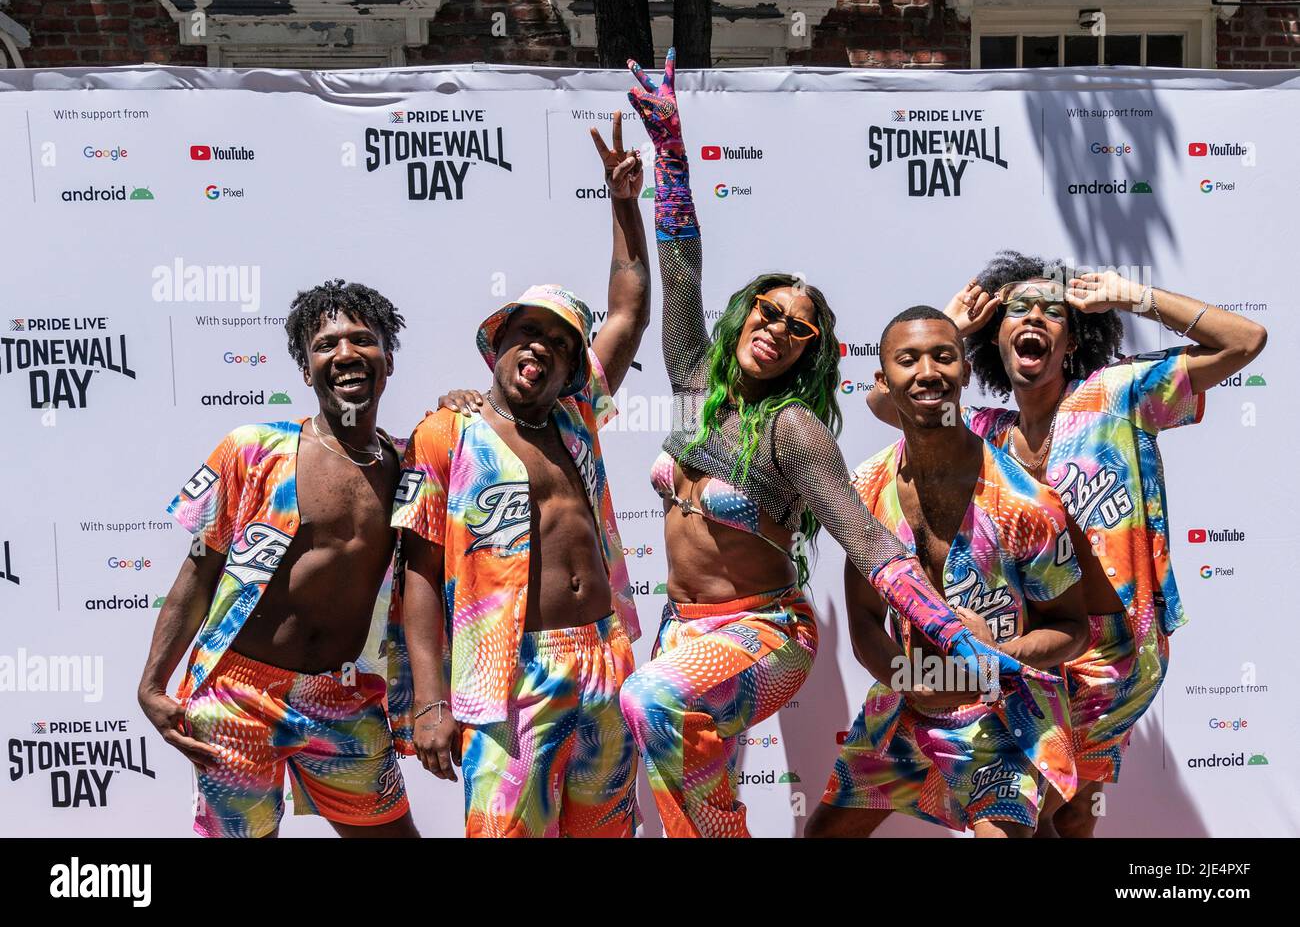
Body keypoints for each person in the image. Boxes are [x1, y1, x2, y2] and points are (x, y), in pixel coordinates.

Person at [611, 49, 1060, 839]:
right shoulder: (688, 379)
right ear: (745, 313)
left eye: (800, 328)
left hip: (764, 634)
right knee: (683, 789)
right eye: (770, 312)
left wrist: (953, 634)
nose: (779, 328)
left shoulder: (793, 428)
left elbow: (868, 540)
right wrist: (670, 152)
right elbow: (680, 273)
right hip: (682, 628)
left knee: (650, 700)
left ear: (809, 354)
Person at [866, 254, 1267, 836]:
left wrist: (1132, 296)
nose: (1034, 318)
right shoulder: (980, 431)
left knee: (1029, 809)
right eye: (1017, 310)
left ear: (1072, 339)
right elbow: (886, 403)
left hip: (1116, 651)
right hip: (1034, 642)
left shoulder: (1117, 394)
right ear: (994, 341)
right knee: (1076, 809)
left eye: (1052, 311)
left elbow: (1245, 340)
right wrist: (949, 327)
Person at [391, 117, 651, 837]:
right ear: (498, 345)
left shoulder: (577, 420)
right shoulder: (446, 433)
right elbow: (419, 570)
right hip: (509, 673)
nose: (543, 348)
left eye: (562, 344)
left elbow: (628, 310)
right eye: (528, 332)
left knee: (604, 828)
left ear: (573, 370)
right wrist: (431, 700)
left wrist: (623, 202)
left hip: (605, 655)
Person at [138, 280, 417, 838]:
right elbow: (197, 573)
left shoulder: (411, 471)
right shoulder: (252, 449)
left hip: (343, 695)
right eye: (324, 344)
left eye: (362, 339)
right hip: (238, 696)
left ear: (388, 356)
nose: (344, 354)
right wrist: (152, 684)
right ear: (305, 367)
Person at [807, 306, 1089, 838]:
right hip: (904, 704)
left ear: (964, 369)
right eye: (907, 359)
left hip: (1003, 713)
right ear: (882, 380)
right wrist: (911, 681)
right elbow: (865, 619)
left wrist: (1000, 656)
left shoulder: (1025, 502)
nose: (928, 371)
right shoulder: (865, 489)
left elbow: (1072, 627)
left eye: (943, 356)